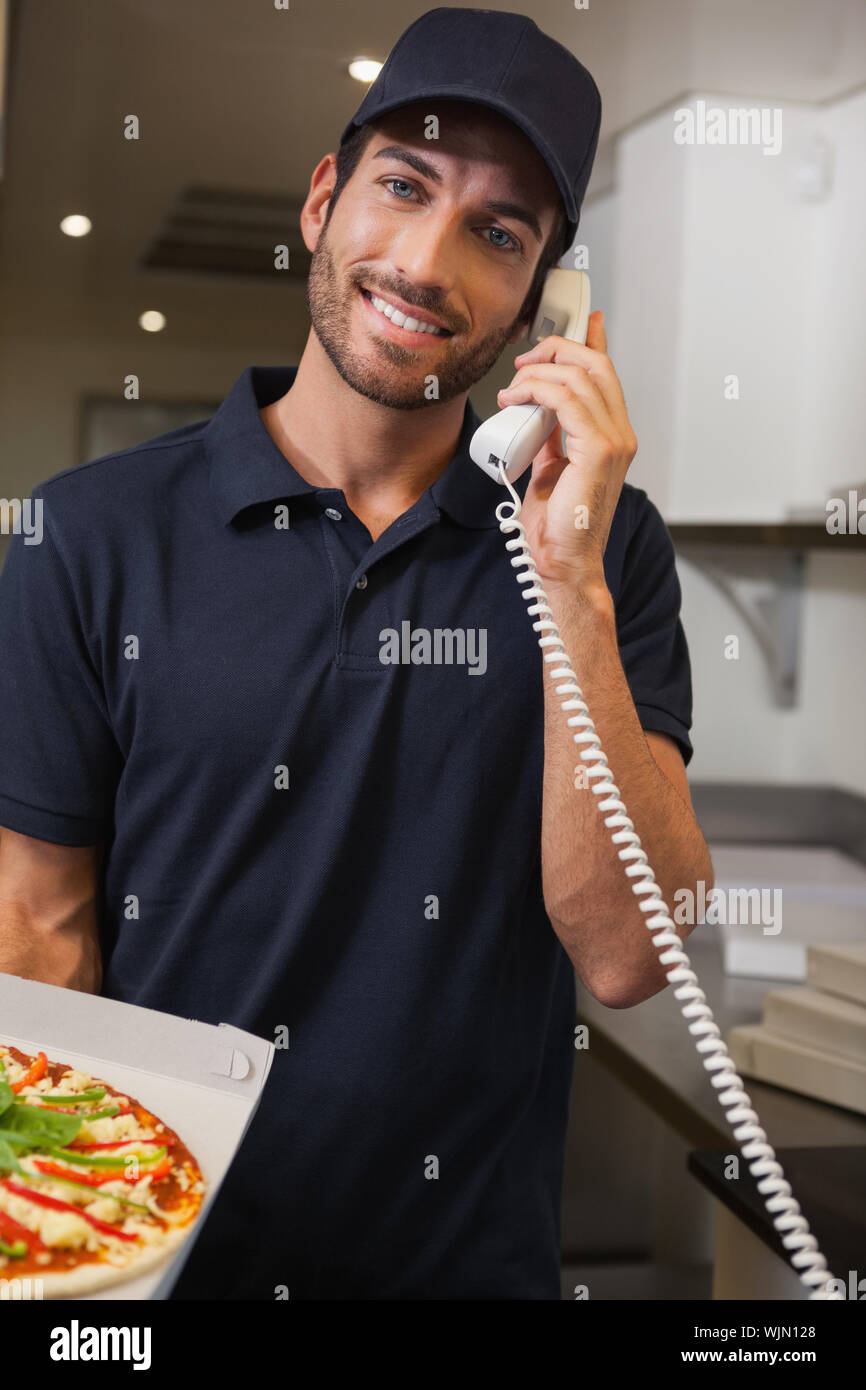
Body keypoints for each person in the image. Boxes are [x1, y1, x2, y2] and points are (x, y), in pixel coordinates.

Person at [0, 8, 712, 1299]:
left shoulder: (602, 551)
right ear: (324, 198)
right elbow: (39, 943)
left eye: (499, 233)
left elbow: (626, 954)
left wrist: (567, 575)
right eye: (403, 184)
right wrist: (70, 1268)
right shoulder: (87, 537)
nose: (430, 262)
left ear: (550, 298)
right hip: (157, 1283)